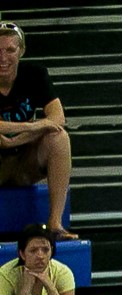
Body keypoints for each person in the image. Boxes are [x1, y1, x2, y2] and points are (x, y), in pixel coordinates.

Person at [0, 25, 73, 240]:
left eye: (10, 50)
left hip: (25, 162)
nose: (3, 58)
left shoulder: (35, 74)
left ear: (21, 51)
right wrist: (38, 126)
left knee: (59, 137)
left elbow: (58, 118)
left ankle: (55, 223)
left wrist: (19, 136)